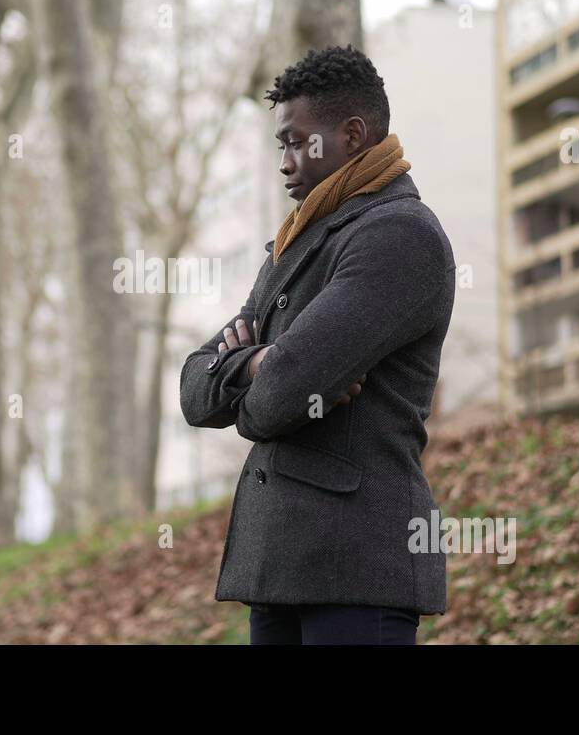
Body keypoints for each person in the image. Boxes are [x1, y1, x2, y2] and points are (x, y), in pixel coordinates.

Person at [179, 45, 455, 645]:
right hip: (281, 566)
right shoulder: (299, 238)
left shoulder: (398, 235)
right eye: (280, 145)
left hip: (357, 567)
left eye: (296, 142)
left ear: (352, 134)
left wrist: (261, 376)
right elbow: (194, 390)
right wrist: (259, 362)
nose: (284, 163)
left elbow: (280, 399)